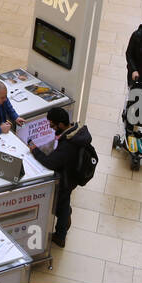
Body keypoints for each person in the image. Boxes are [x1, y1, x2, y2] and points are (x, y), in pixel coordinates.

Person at [29, 106, 93, 248]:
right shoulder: (76, 132)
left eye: (52, 125)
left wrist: (35, 150)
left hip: (65, 180)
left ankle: (60, 236)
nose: (51, 128)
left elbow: (50, 163)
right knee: (64, 204)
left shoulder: (68, 145)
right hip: (72, 177)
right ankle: (64, 224)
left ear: (61, 124)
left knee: (61, 206)